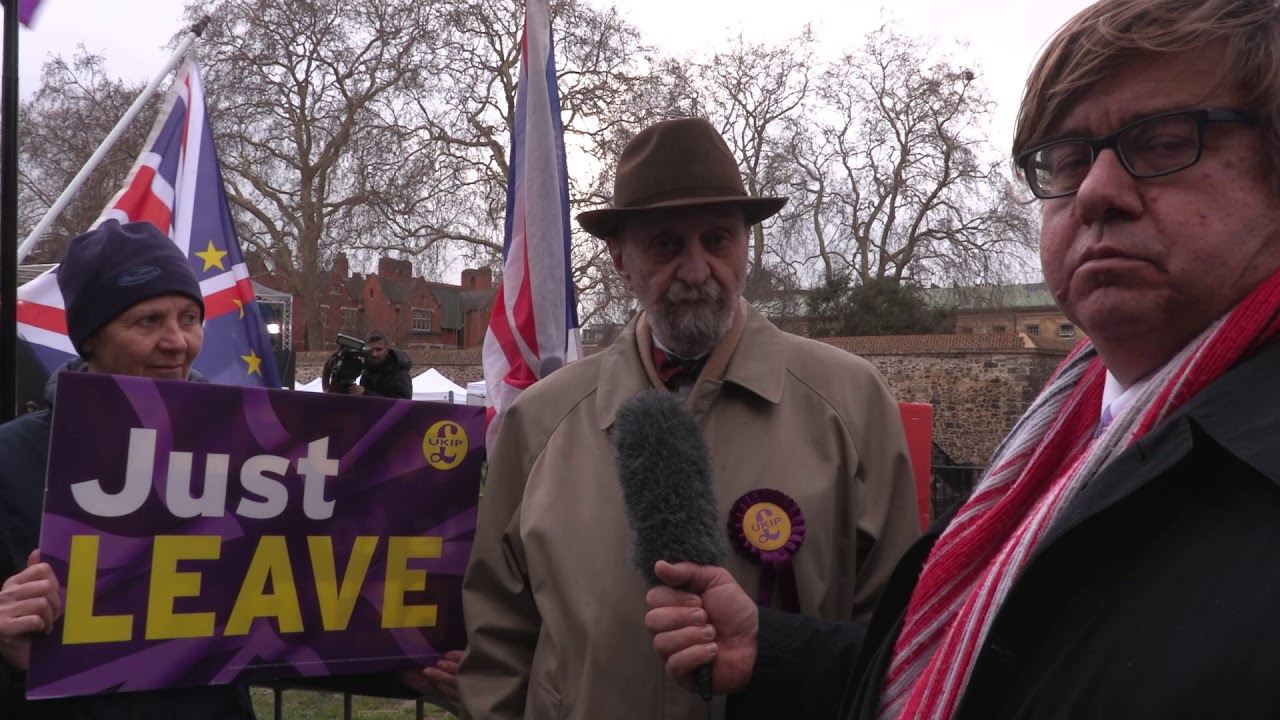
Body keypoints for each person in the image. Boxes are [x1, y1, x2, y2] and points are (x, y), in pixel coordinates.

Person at [644, 0, 1280, 718]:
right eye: (1068, 160)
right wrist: (774, 649)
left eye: (1164, 143)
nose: (1098, 191)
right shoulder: (1058, 434)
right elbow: (977, 672)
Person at [458, 117, 921, 720]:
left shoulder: (851, 403)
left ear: (745, 248)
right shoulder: (542, 422)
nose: (698, 270)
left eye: (718, 240)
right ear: (622, 262)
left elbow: (903, 636)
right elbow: (498, 644)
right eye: (666, 245)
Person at [0, 220, 257, 718]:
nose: (177, 341)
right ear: (90, 340)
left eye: (189, 317)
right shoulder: (11, 460)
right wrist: (8, 649)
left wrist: (399, 664)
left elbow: (306, 604)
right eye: (147, 321)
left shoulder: (247, 451)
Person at [351, 331, 412, 399]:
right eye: (370, 350)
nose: (374, 354)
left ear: (387, 350)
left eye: (379, 350)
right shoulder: (367, 372)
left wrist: (366, 394)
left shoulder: (399, 373)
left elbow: (403, 404)